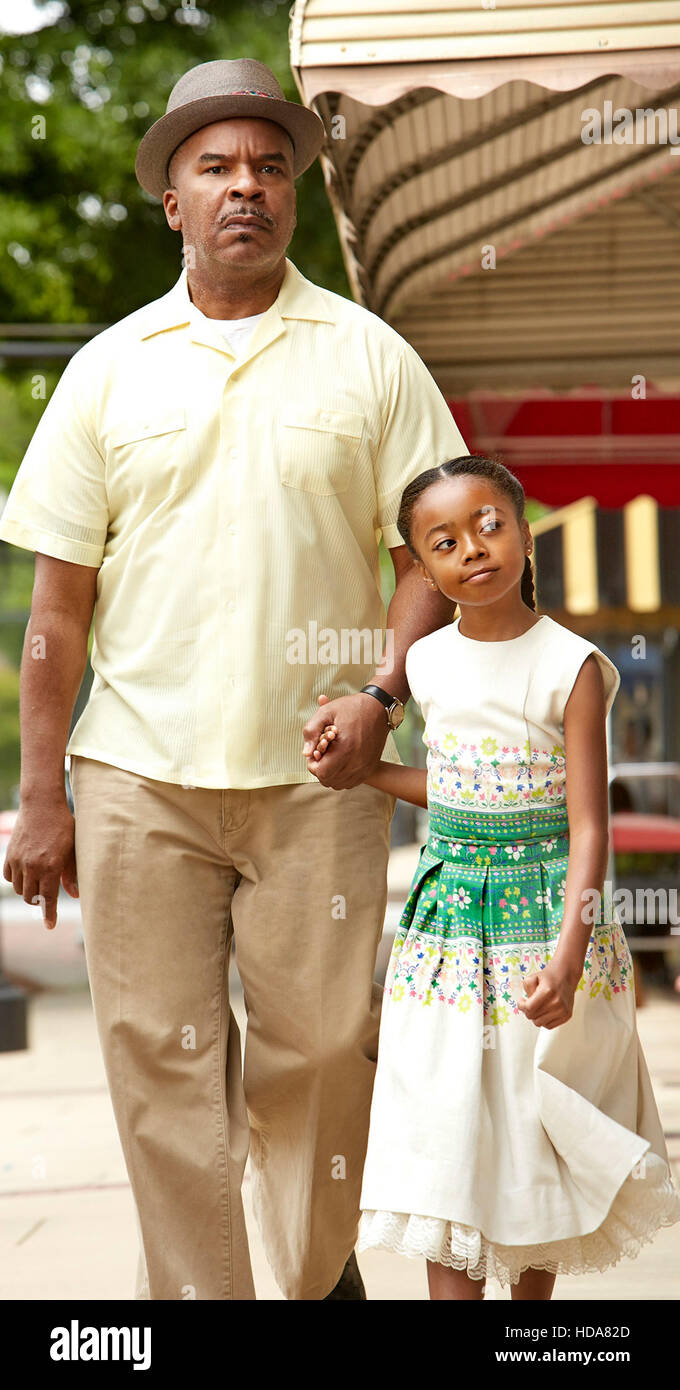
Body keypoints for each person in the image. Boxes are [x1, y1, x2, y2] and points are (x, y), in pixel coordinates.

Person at [0, 59, 468, 1301]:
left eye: (267, 166)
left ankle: (313, 1283)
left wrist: (378, 695)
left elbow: (434, 553)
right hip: (137, 777)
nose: (244, 188)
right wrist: (40, 796)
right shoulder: (104, 372)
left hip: (320, 778)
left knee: (320, 1051)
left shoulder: (370, 358)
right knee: (158, 1061)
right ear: (173, 199)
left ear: (294, 195)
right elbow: (56, 611)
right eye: (214, 167)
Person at [307, 453, 680, 1300]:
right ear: (424, 569)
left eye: (489, 525)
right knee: (449, 1130)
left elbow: (590, 824)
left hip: (546, 928)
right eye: (443, 542)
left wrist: (569, 953)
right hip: (443, 930)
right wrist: (364, 772)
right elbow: (456, 789)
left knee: (531, 1128)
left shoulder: (574, 665)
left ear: (522, 532)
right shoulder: (426, 665)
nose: (472, 548)